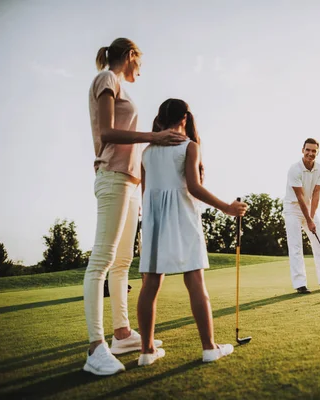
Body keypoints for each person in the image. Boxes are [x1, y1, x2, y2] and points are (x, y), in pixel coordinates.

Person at [83, 38, 185, 376]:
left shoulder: (117, 84)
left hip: (127, 182)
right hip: (111, 176)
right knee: (102, 260)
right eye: (139, 62)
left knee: (123, 262)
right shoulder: (107, 80)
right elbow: (108, 132)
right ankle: (95, 347)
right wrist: (154, 137)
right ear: (130, 56)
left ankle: (122, 334)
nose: (140, 70)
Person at [137, 98, 248, 366]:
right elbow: (194, 187)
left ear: (160, 119)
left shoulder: (146, 153)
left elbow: (145, 194)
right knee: (195, 281)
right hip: (183, 218)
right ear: (184, 119)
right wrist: (226, 207)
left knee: (150, 284)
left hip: (153, 221)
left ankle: (146, 352)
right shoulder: (190, 147)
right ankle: (209, 348)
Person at [283, 138, 320, 294]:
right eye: (308, 150)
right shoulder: (294, 169)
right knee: (296, 247)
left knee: (319, 242)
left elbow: (316, 194)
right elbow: (300, 197)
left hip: (309, 209)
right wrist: (308, 220)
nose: (310, 153)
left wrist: (312, 217)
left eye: (314, 151)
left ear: (317, 152)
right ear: (302, 150)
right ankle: (300, 284)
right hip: (292, 209)